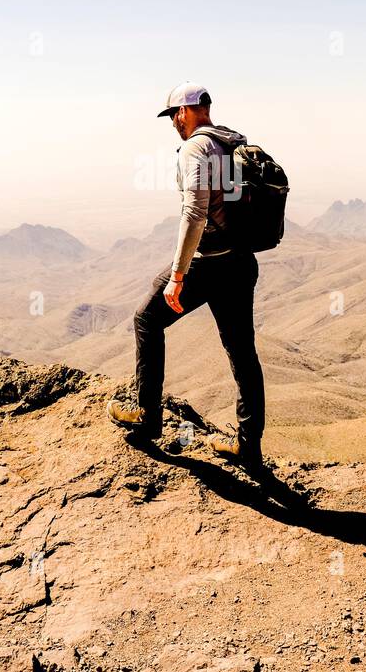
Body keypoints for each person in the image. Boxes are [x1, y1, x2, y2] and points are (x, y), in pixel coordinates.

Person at [107, 82, 266, 474]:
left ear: (188, 110)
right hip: (240, 261)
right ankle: (249, 449)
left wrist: (178, 275)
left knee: (147, 318)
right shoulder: (234, 142)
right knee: (242, 353)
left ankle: (147, 419)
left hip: (207, 263)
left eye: (174, 115)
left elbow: (194, 212)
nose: (174, 123)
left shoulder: (197, 146)